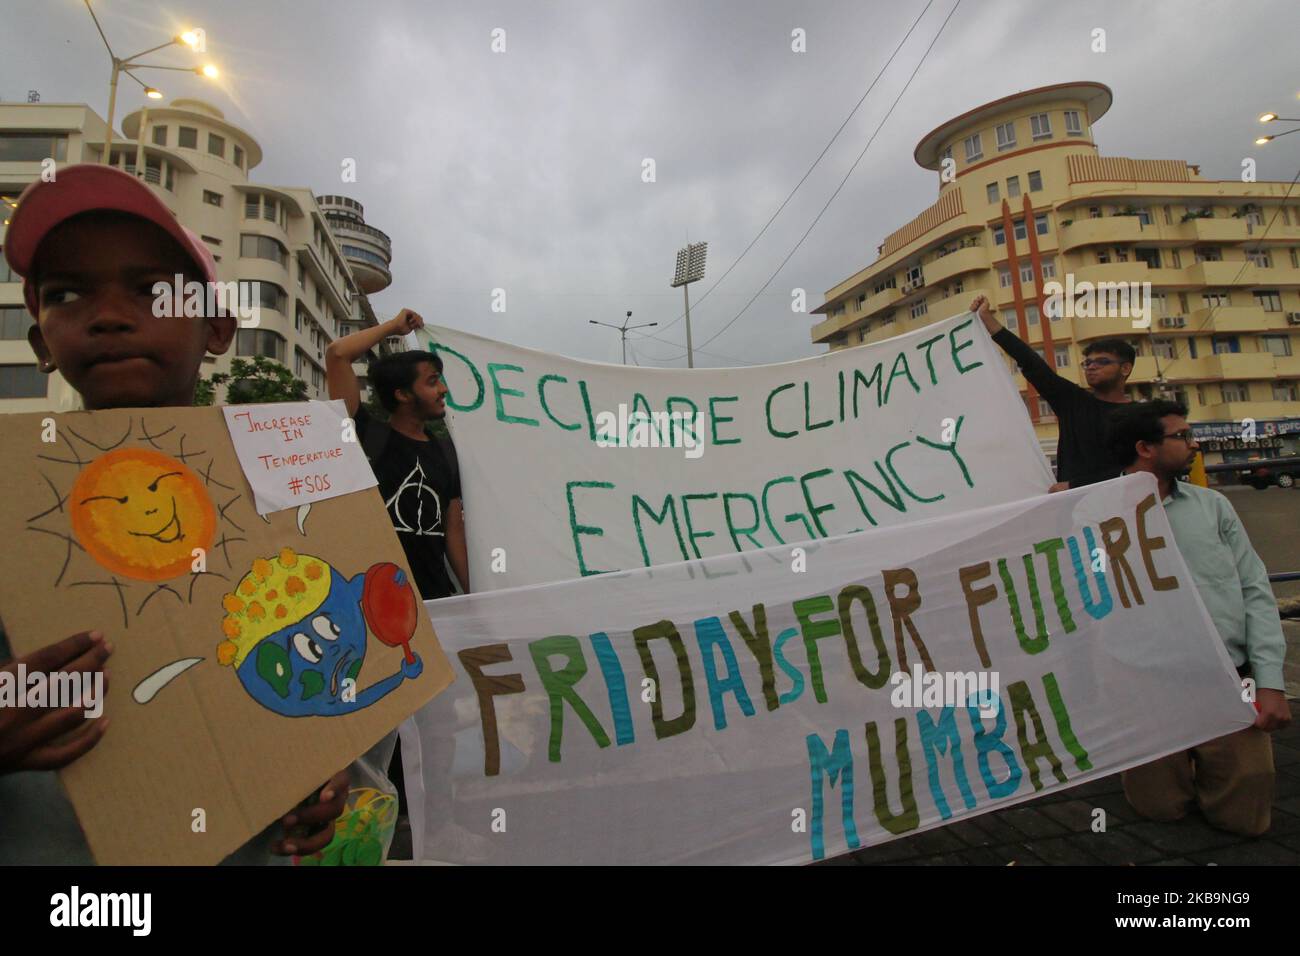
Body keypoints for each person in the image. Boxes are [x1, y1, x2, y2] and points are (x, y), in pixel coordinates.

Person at [0, 163, 350, 863]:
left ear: (216, 328)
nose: (107, 314)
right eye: (67, 293)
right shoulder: (9, 497)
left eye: (153, 289)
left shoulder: (288, 484)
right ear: (41, 341)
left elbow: (338, 666)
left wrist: (324, 759)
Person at [1108, 399, 1291, 835]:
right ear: (1145, 447)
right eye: (1182, 436)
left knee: (1245, 820)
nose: (1194, 445)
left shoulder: (1214, 508)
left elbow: (1255, 591)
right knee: (1160, 811)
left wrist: (1269, 682)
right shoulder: (1092, 513)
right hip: (1148, 687)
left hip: (1231, 678)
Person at [325, 312, 471, 856]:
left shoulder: (446, 449)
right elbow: (339, 356)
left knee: (439, 719)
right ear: (402, 394)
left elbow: (452, 524)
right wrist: (391, 324)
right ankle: (387, 820)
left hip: (432, 603)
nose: (443, 391)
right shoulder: (366, 434)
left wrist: (474, 593)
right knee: (380, 717)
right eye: (432, 381)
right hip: (371, 609)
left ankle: (439, 814)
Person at [971, 294, 1133, 489]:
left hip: (1123, 509)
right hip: (1075, 511)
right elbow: (1032, 364)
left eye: (1102, 362)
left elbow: (1139, 471)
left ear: (1125, 368)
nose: (1091, 367)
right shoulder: (1074, 402)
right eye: (1088, 362)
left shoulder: (1142, 417)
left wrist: (1073, 485)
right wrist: (988, 321)